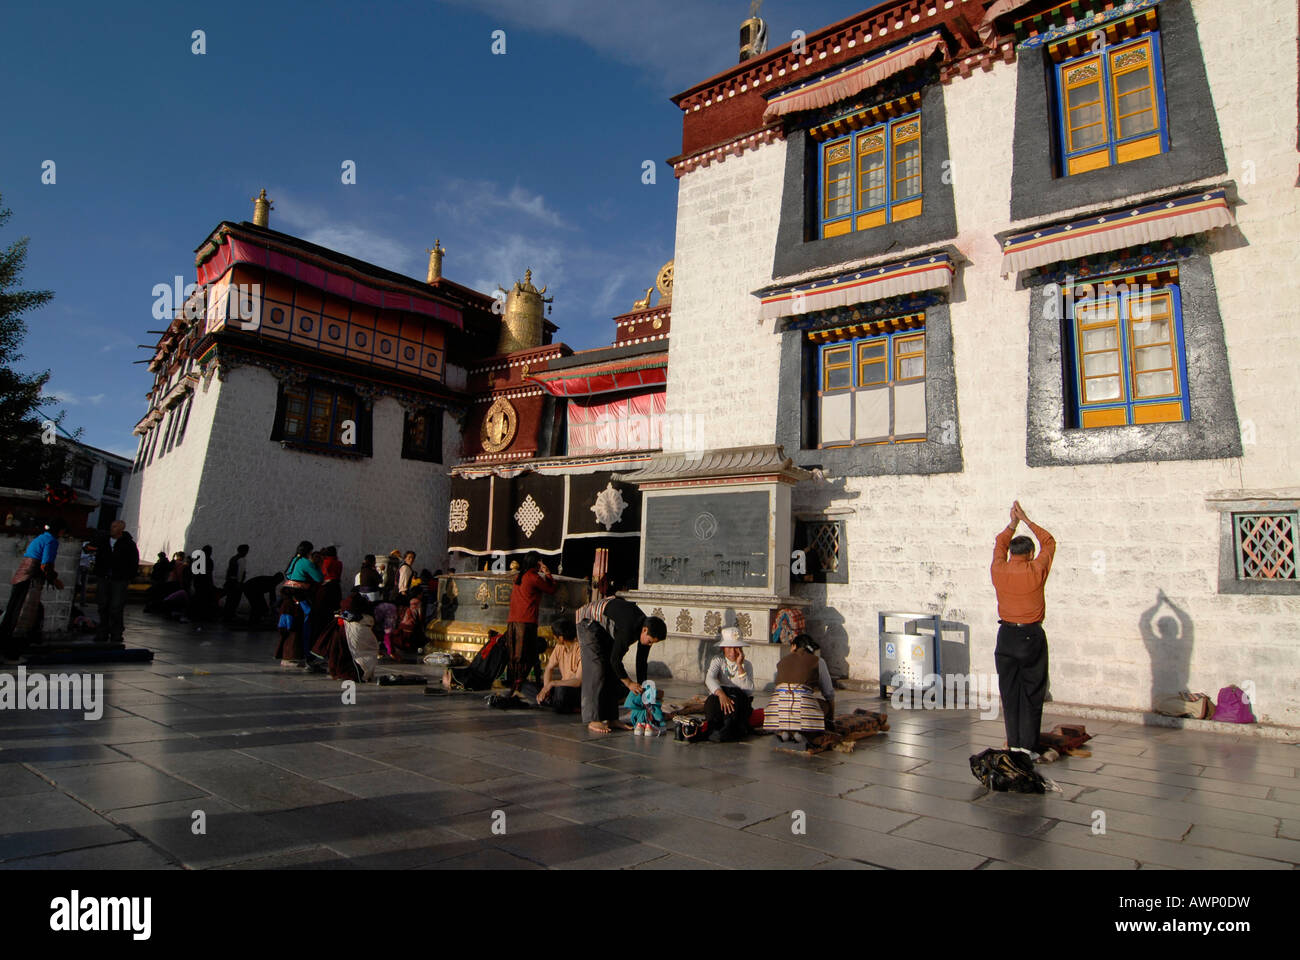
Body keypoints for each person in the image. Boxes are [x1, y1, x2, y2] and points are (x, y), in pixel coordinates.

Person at [990, 500, 1056, 770]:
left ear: (1011, 554)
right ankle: (1026, 747)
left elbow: (998, 544)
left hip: (1005, 636)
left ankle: (1013, 741)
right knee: (1032, 692)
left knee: (1010, 691)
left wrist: (1012, 523)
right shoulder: (1036, 570)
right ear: (1030, 554)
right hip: (1030, 637)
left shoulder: (998, 569)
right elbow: (1049, 542)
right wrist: (1026, 520)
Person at [577, 595, 667, 735]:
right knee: (597, 669)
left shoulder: (644, 629)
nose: (650, 645)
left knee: (613, 672)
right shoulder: (629, 628)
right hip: (588, 621)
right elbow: (615, 660)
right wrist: (629, 683)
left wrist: (642, 688)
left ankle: (612, 718)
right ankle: (593, 718)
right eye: (650, 641)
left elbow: (641, 661)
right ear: (645, 630)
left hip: (605, 627)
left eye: (652, 643)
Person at [1, 520, 67, 661]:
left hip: (21, 577)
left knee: (13, 611)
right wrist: (55, 581)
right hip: (31, 579)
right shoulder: (51, 541)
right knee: (23, 615)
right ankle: (12, 653)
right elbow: (45, 565)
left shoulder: (40, 537)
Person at [764, 634, 835, 744]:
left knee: (787, 704)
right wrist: (830, 719)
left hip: (776, 712)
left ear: (793, 646)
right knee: (824, 706)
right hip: (802, 707)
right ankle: (801, 730)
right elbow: (829, 693)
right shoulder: (818, 661)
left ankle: (785, 730)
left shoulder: (782, 661)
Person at [504, 551, 558, 693]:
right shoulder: (533, 577)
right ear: (537, 563)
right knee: (526, 654)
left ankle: (515, 682)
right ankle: (520, 684)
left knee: (515, 654)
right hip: (526, 621)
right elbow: (551, 589)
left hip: (513, 620)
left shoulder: (519, 576)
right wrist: (547, 573)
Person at [703, 627, 756, 742]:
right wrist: (721, 695)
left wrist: (740, 667)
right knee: (711, 703)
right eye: (729, 647)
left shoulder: (747, 665)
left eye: (736, 648)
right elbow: (709, 678)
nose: (732, 652)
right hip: (721, 694)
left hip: (738, 698)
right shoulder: (718, 660)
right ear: (723, 648)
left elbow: (748, 690)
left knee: (733, 708)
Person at [91, 520, 139, 644]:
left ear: (121, 529)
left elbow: (133, 561)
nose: (112, 528)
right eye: (112, 526)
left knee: (116, 607)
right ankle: (102, 632)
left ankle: (116, 633)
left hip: (119, 579)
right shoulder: (104, 540)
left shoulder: (129, 544)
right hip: (104, 577)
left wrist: (128, 576)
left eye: (115, 526)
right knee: (102, 605)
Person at [534, 617, 583, 713]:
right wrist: (546, 689)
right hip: (562, 687)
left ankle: (568, 707)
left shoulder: (581, 649)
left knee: (561, 692)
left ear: (561, 638)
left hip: (577, 690)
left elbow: (578, 681)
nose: (554, 638)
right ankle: (552, 702)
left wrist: (553, 683)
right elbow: (549, 668)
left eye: (555, 636)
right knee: (530, 688)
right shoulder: (559, 647)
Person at [221, 544, 250, 621]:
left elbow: (228, 571)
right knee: (235, 599)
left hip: (230, 581)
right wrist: (239, 582)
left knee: (229, 599)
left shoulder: (233, 558)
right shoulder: (242, 560)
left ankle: (226, 614)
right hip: (236, 583)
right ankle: (231, 614)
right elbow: (240, 573)